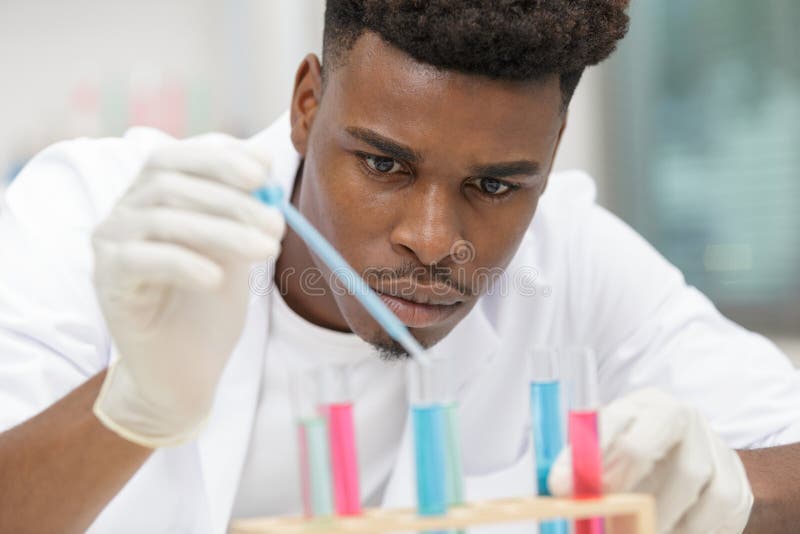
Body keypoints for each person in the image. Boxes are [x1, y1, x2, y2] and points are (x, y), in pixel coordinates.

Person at [1, 1, 799, 532]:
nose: (431, 238)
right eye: (384, 165)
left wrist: (723, 485)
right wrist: (128, 410)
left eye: (494, 185)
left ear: (550, 155)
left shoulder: (575, 263)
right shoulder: (97, 213)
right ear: (307, 106)